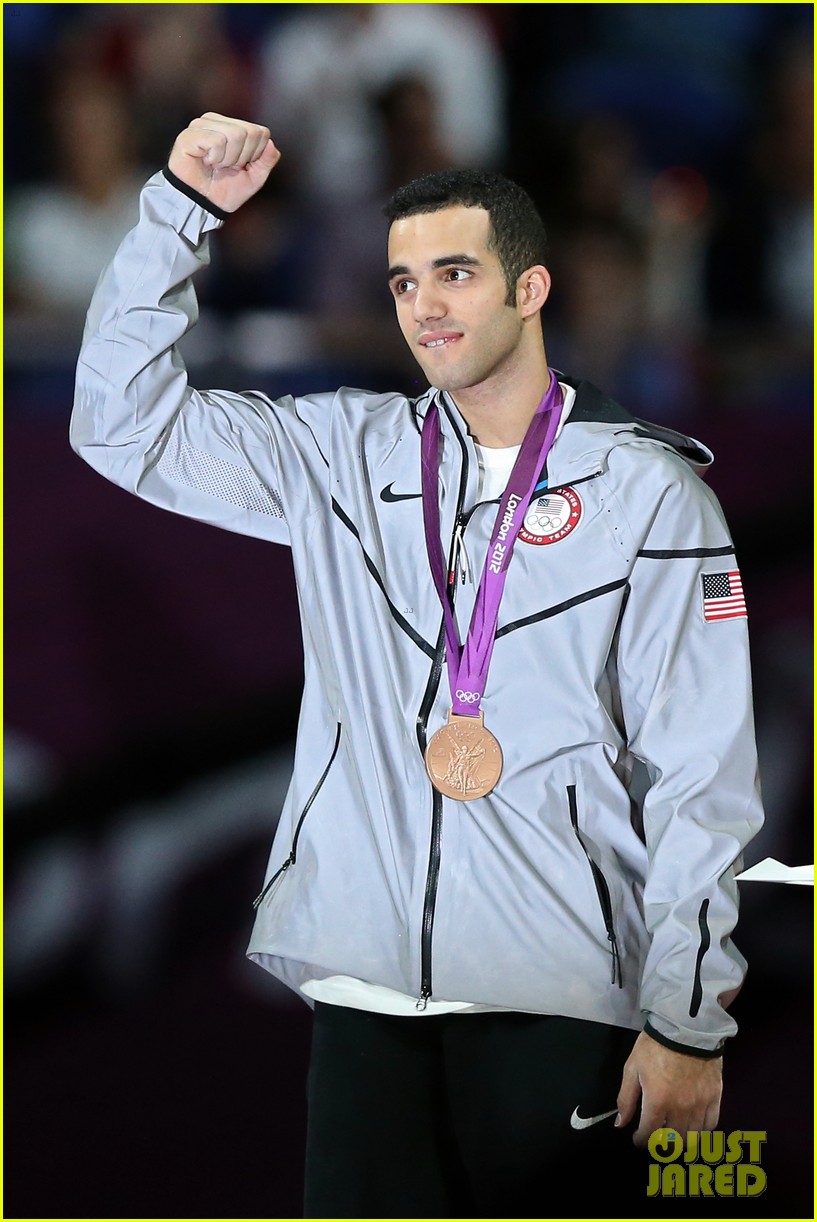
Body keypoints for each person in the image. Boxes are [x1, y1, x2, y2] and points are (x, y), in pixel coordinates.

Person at [71, 114, 764, 1218]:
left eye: (454, 273)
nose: (425, 307)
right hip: (362, 992)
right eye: (401, 283)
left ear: (529, 288)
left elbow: (699, 774)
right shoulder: (340, 456)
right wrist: (177, 212)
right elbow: (117, 425)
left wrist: (687, 1018)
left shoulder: (649, 496)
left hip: (562, 995)